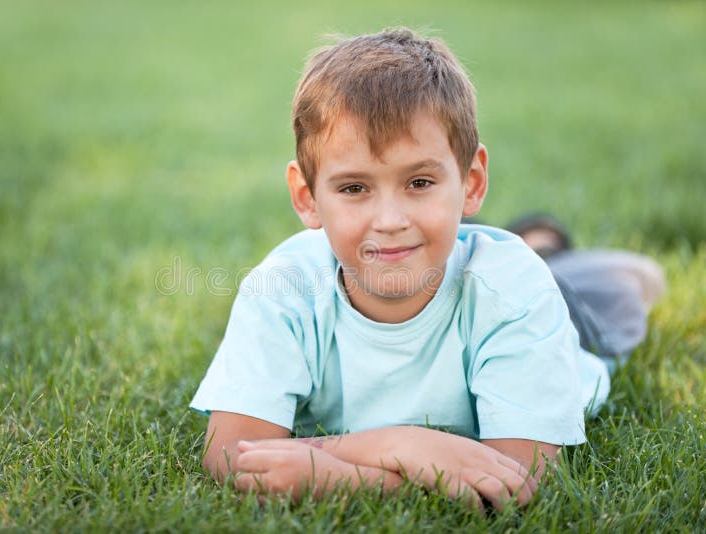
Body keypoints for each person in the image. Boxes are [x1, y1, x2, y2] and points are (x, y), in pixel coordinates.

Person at [189, 28, 664, 510]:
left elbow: (517, 482)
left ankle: (544, 248)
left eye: (419, 181)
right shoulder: (284, 287)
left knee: (637, 280)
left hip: (570, 328)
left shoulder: (516, 292)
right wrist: (398, 445)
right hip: (449, 255)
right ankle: (527, 236)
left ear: (472, 182)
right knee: (446, 244)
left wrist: (325, 471)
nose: (390, 220)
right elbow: (229, 454)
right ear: (307, 197)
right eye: (354, 188)